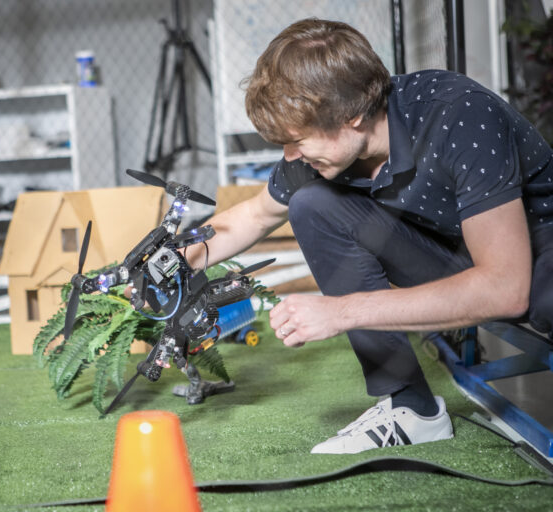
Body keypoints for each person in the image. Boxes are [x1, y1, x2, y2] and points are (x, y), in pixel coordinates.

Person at [184, 18, 553, 454]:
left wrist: (342, 312)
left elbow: (505, 288)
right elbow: (255, 215)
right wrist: (175, 261)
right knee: (311, 203)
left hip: (536, 256)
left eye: (297, 139)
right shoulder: (322, 153)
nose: (289, 155)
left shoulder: (459, 114)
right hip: (458, 254)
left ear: (353, 115)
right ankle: (412, 408)